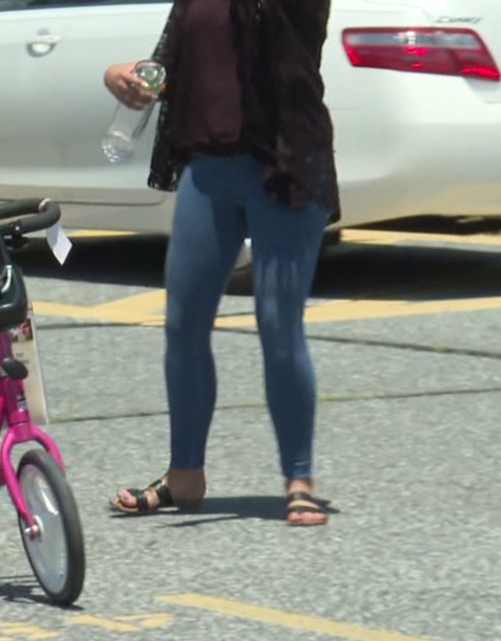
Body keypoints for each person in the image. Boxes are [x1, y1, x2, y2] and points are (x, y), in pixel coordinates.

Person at [103, 0, 338, 526]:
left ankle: (299, 479)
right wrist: (125, 77)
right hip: (207, 170)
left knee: (279, 326)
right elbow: (170, 66)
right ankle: (184, 474)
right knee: (183, 326)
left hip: (283, 164)